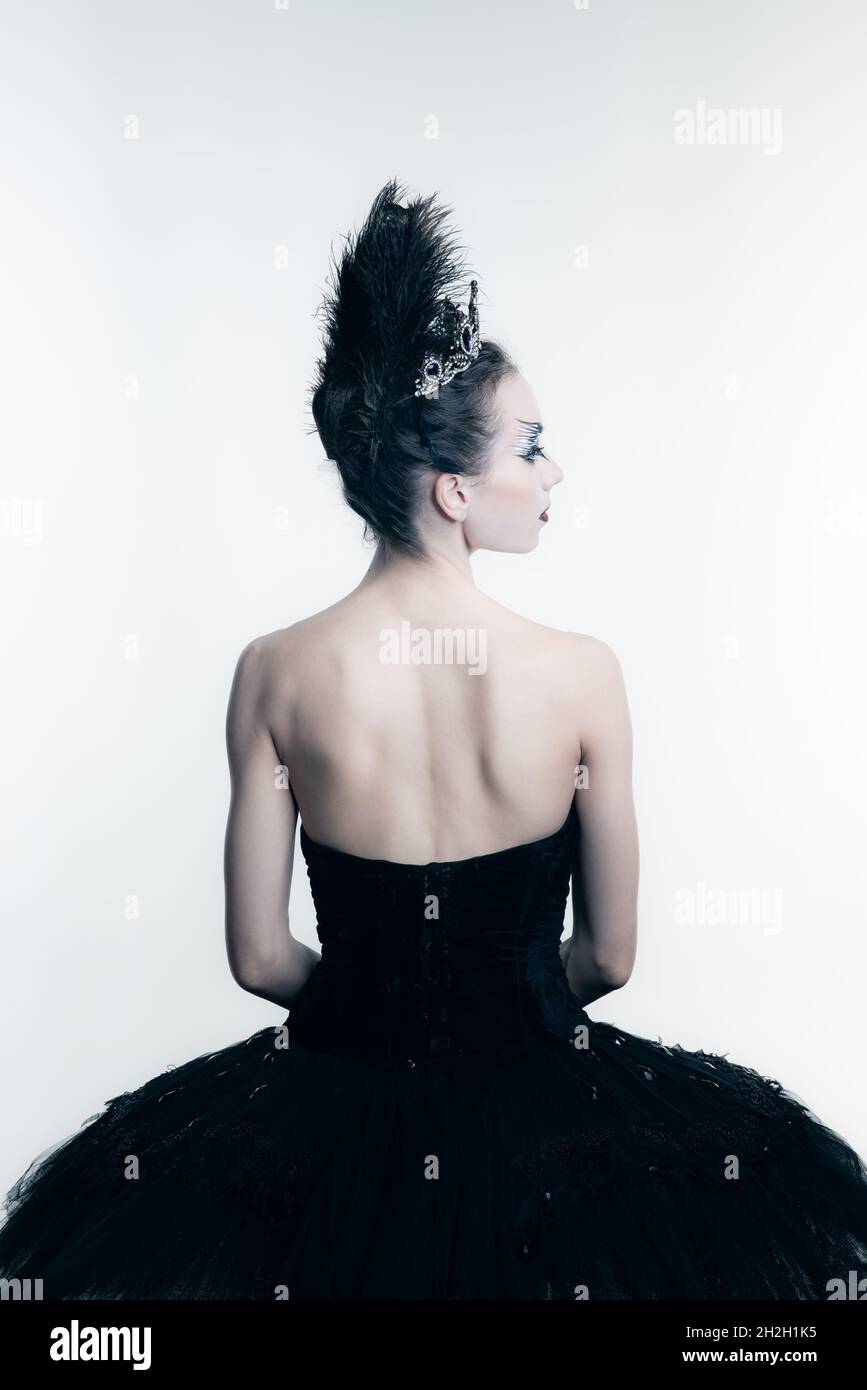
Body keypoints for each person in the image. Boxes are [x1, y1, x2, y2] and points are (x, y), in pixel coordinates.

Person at [1, 178, 866, 1301]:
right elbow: (607, 958)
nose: (554, 473)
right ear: (456, 490)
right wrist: (510, 1013)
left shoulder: (273, 672)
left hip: (330, 1103)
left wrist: (378, 1012)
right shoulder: (583, 675)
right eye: (533, 447)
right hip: (547, 1110)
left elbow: (259, 957)